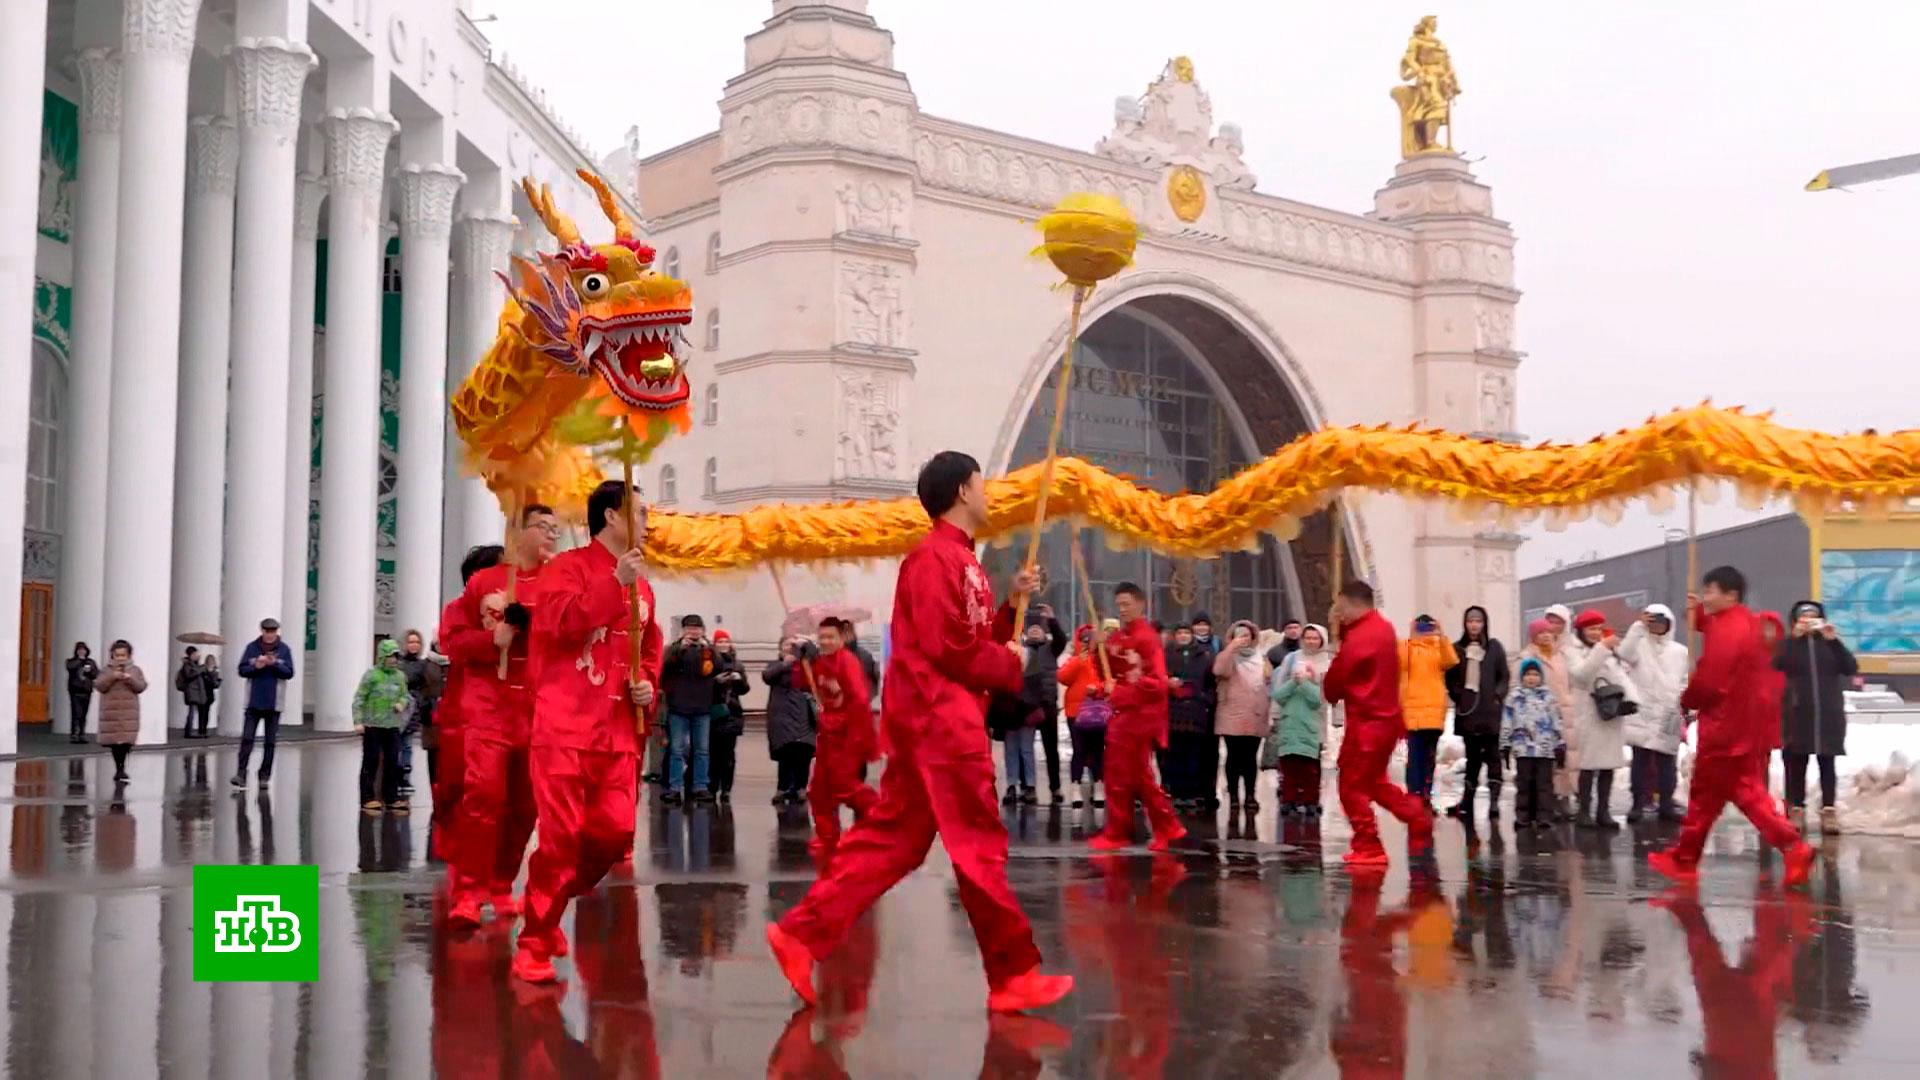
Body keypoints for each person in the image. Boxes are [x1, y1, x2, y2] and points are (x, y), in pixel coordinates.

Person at [767, 450, 1074, 1014]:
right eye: (982, 484)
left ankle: (800, 933)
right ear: (961, 490)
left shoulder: (961, 560)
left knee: (895, 843)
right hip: (941, 721)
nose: (989, 495)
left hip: (936, 717)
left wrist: (1009, 606)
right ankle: (1012, 975)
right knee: (978, 845)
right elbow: (948, 647)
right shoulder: (933, 559)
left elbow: (969, 633)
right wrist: (1008, 663)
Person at [512, 480, 663, 984]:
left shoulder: (644, 586)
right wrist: (612, 582)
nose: (647, 520)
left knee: (614, 831)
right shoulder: (567, 568)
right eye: (640, 512)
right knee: (560, 838)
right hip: (564, 726)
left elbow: (651, 653)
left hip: (618, 731)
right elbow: (557, 623)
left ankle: (546, 902)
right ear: (612, 517)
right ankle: (535, 938)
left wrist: (648, 686)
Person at [1649, 566, 1815, 887]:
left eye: (1710, 591)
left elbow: (1712, 676)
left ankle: (1793, 846)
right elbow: (1711, 626)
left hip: (1726, 726)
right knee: (1711, 795)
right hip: (1745, 725)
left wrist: (1690, 697)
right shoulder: (1743, 623)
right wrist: (1697, 611)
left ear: (1731, 595)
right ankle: (1684, 858)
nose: (1706, 596)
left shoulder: (1729, 630)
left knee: (1743, 794)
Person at [444, 504, 558, 928]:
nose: (550, 535)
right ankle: (468, 892)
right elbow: (453, 641)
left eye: (555, 528)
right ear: (519, 531)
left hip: (536, 708)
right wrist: (495, 638)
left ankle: (501, 882)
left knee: (525, 804)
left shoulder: (558, 582)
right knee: (483, 796)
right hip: (486, 707)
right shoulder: (483, 584)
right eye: (542, 527)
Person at [1324, 581, 1431, 869]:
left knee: (1350, 786)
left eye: (1340, 605)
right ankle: (1415, 816)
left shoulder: (1361, 636)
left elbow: (1335, 682)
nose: (1338, 611)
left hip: (1367, 723)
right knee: (1373, 782)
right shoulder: (1382, 627)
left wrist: (1338, 636)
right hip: (1383, 721)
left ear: (1349, 602)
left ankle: (1369, 843)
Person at [1091, 582, 1186, 852]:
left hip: (1139, 717)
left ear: (1140, 604)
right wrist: (1099, 648)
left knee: (1122, 775)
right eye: (1119, 605)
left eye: (1127, 604)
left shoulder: (1147, 638)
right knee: (1134, 776)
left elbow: (1157, 682)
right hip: (1124, 716)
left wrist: (1119, 693)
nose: (1122, 609)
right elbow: (1105, 670)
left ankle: (1118, 832)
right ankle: (1167, 827)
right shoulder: (1119, 638)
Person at [432, 543, 504, 862]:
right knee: (458, 792)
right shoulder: (458, 610)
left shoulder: (517, 609)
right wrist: (494, 640)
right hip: (463, 718)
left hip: (507, 717)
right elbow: (455, 645)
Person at [1776, 600, 1858, 834]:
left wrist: (1834, 640)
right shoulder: (1791, 645)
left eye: (1813, 615)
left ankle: (1829, 811)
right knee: (1796, 763)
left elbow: (1851, 667)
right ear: (1795, 620)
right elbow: (1779, 663)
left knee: (1827, 762)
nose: (1809, 619)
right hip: (1798, 713)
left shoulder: (1829, 645)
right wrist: (1794, 638)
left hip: (1828, 714)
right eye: (1804, 616)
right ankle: (1797, 810)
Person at [803, 617, 880, 856]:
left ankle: (882, 816)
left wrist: (861, 738)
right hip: (827, 735)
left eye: (830, 637)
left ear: (841, 638)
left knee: (846, 787)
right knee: (819, 791)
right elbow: (805, 684)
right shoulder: (819, 662)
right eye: (822, 637)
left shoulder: (848, 662)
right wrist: (801, 661)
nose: (825, 641)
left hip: (847, 735)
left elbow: (859, 700)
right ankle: (828, 836)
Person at [1565, 610, 1637, 829]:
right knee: (1589, 765)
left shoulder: (1610, 651)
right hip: (1589, 715)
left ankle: (1603, 811)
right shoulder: (1573, 651)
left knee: (1608, 765)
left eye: (1598, 628)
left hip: (1611, 713)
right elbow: (1581, 675)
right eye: (1590, 629)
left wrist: (1631, 699)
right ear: (1580, 631)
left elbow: (1621, 677)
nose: (1595, 633)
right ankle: (1584, 811)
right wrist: (1601, 649)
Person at [1619, 603, 1689, 823]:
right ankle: (1638, 803)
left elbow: (1684, 681)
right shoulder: (1639, 646)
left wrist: (1680, 699)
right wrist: (1638, 626)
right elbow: (1624, 653)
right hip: (1643, 711)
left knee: (1667, 762)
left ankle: (1666, 804)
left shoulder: (1680, 651)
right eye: (1654, 622)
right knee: (1640, 760)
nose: (1658, 626)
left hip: (1668, 712)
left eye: (1662, 622)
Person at [1443, 605, 1508, 821]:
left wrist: (1497, 696)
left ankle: (1494, 802)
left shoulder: (1494, 648)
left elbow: (1503, 676)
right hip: (1469, 711)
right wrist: (1459, 696)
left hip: (1489, 711)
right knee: (1472, 758)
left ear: (1484, 623)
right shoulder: (1457, 649)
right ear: (1465, 623)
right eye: (1470, 621)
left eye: (1478, 621)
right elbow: (1450, 679)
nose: (1474, 625)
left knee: (1493, 757)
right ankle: (1467, 801)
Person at [1398, 614, 1458, 813]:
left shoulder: (1438, 648)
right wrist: (1413, 637)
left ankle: (1425, 795)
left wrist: (1440, 635)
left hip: (1434, 714)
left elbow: (1451, 661)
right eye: (1421, 627)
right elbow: (1399, 663)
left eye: (1427, 627)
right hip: (1413, 714)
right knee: (1415, 758)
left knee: (1430, 759)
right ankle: (1413, 795)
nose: (1424, 631)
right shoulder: (1406, 646)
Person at [1269, 623, 1331, 816]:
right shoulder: (1292, 658)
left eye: (1315, 638)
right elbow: (1279, 689)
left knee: (1312, 762)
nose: (1311, 642)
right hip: (1292, 717)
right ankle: (1291, 798)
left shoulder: (1329, 661)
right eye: (1308, 638)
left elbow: (1327, 694)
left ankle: (1311, 799)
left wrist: (1309, 681)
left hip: (1315, 717)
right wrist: (1275, 714)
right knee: (1290, 763)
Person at [1518, 612, 1575, 821]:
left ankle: (1564, 798)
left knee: (1563, 760)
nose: (1546, 636)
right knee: (1542, 764)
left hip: (1563, 715)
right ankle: (1543, 804)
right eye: (1541, 632)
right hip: (1538, 718)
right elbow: (1517, 688)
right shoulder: (1526, 658)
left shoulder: (1562, 656)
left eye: (1549, 632)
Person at [660, 614, 719, 805]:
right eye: (689, 628)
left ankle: (700, 787)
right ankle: (674, 788)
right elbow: (665, 668)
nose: (693, 632)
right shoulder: (675, 649)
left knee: (702, 750)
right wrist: (680, 650)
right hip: (679, 706)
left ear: (702, 630)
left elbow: (718, 667)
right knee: (676, 750)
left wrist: (708, 648)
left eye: (697, 628)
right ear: (683, 630)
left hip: (702, 707)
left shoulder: (707, 649)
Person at [1212, 619, 1271, 811]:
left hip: (1255, 714)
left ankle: (1251, 795)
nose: (1243, 639)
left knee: (1250, 757)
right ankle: (1235, 796)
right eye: (1239, 635)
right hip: (1231, 713)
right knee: (1233, 757)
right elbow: (1219, 670)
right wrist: (1231, 649)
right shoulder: (1228, 656)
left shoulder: (1261, 658)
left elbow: (1269, 680)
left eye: (1246, 635)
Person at [1500, 658, 1566, 829]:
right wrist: (1505, 744)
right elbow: (1507, 721)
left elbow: (1556, 721)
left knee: (1544, 785)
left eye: (1535, 674)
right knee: (1524, 783)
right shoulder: (1514, 697)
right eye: (1528, 674)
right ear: (1522, 677)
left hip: (1545, 749)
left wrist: (1560, 744)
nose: (1532, 678)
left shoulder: (1548, 697)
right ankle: (1523, 816)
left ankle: (1544, 816)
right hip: (1523, 749)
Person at [353, 638, 414, 813]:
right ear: (382, 656)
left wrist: (401, 704)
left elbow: (404, 695)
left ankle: (391, 797)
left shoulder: (399, 676)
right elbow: (359, 698)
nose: (394, 660)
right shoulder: (371, 675)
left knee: (392, 761)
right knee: (370, 761)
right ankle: (367, 797)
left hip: (392, 725)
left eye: (396, 656)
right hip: (373, 725)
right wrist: (358, 721)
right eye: (391, 656)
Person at [233, 618, 295, 788]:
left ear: (276, 632)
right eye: (267, 631)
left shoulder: (284, 650)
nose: (269, 634)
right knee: (247, 738)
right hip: (253, 702)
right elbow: (242, 670)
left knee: (270, 741)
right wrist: (256, 666)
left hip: (274, 703)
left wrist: (274, 664)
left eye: (272, 631)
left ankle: (264, 775)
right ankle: (241, 773)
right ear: (262, 631)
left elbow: (289, 673)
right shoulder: (252, 648)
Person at [1163, 623, 1216, 809]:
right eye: (1180, 632)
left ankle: (1192, 793)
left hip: (1196, 712)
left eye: (1187, 632)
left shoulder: (1204, 656)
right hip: (1173, 711)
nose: (1184, 636)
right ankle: (1177, 792)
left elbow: (1211, 683)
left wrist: (1204, 699)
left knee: (1194, 755)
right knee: (1175, 754)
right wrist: (1167, 684)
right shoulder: (1166, 655)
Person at [1056, 623, 1109, 809]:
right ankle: (1075, 786)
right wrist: (1079, 660)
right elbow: (1062, 677)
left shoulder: (1103, 660)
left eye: (1091, 640)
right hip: (1075, 712)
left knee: (1097, 750)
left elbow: (1110, 682)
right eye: (1085, 640)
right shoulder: (1076, 659)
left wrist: (1099, 689)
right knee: (1078, 749)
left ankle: (1099, 785)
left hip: (1098, 711)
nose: (1088, 644)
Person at [764, 636, 820, 805]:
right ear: (780, 648)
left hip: (804, 713)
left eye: (793, 644)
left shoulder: (806, 665)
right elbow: (767, 676)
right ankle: (782, 788)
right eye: (787, 644)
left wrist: (808, 644)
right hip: (782, 715)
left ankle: (801, 788)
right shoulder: (776, 665)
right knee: (785, 751)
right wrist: (785, 664)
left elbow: (818, 659)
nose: (790, 647)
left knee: (803, 751)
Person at [93, 639, 147, 782]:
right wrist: (113, 677)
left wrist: (129, 679)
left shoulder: (135, 670)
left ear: (128, 655)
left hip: (128, 712)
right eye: (117, 655)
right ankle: (119, 768)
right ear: (113, 655)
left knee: (126, 742)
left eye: (123, 655)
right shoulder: (106, 670)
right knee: (115, 743)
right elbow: (99, 685)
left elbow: (141, 686)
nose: (120, 658)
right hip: (112, 711)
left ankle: (122, 766)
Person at [395, 629, 441, 796]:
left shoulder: (424, 665)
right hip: (398, 707)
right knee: (396, 743)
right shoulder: (398, 663)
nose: (414, 645)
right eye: (411, 642)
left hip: (414, 708)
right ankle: (395, 774)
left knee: (407, 744)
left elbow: (427, 686)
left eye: (417, 642)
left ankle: (404, 776)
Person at [710, 628, 748, 802]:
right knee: (713, 752)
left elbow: (744, 689)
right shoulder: (709, 663)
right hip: (715, 711)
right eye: (720, 642)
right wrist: (716, 682)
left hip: (732, 712)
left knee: (729, 754)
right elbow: (705, 688)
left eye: (726, 641)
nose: (723, 645)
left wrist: (738, 679)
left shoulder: (737, 664)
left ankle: (726, 788)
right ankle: (712, 786)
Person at [176, 646, 218, 739]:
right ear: (191, 655)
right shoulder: (187, 665)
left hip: (197, 692)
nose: (197, 656)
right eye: (195, 654)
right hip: (191, 691)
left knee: (195, 712)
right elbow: (189, 675)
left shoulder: (195, 665)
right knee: (191, 712)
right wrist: (200, 669)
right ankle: (189, 732)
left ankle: (192, 731)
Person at [65, 642, 99, 744]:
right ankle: (74, 734)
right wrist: (80, 660)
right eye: (79, 650)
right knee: (76, 712)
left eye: (83, 650)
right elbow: (70, 667)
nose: (81, 651)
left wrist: (89, 670)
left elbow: (96, 674)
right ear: (76, 651)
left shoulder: (91, 662)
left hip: (86, 690)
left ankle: (82, 734)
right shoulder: (71, 661)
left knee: (84, 713)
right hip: (75, 690)